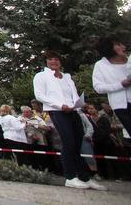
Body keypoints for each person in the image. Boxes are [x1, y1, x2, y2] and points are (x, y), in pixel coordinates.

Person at [34, 50, 107, 190]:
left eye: (56, 59)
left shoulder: (66, 77)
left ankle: (85, 177)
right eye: (50, 60)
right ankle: (70, 176)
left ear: (60, 62)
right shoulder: (41, 76)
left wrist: (78, 103)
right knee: (68, 143)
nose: (54, 62)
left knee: (78, 142)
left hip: (73, 111)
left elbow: (73, 93)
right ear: (46, 62)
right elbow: (40, 95)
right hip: (58, 111)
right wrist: (60, 105)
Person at [93, 37, 131, 137]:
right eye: (118, 45)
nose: (123, 47)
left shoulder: (130, 61)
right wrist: (121, 85)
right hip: (122, 107)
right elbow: (98, 88)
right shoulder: (101, 65)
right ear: (108, 48)